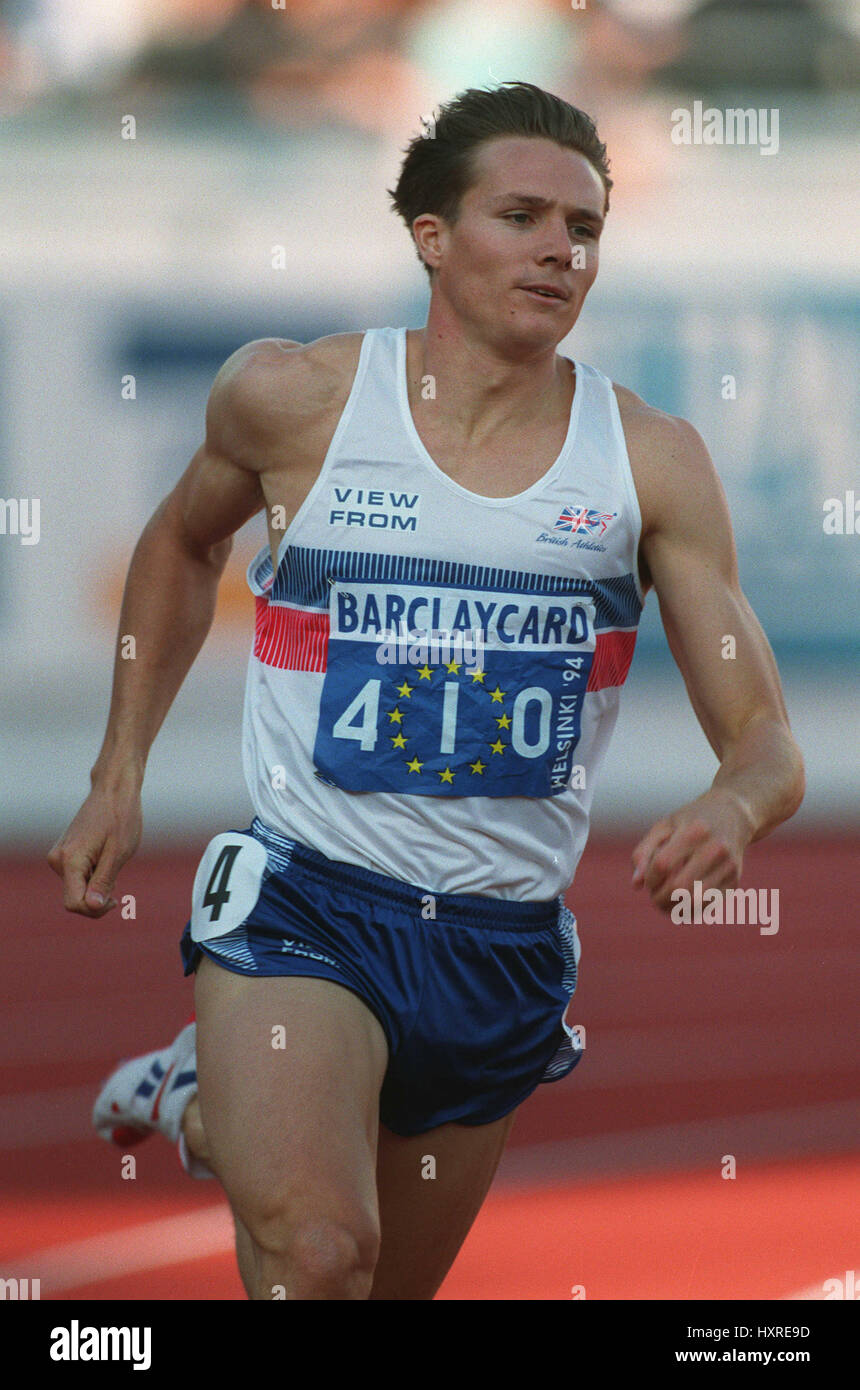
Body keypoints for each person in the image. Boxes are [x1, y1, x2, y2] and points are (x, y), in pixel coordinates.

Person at [49, 81, 805, 1301]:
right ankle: (241, 1091)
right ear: (431, 237)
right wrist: (115, 774)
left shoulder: (647, 462)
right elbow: (180, 545)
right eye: (521, 215)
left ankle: (203, 1103)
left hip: (497, 949)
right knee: (318, 1254)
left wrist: (730, 810)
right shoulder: (293, 399)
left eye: (585, 229)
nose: (561, 250)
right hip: (307, 899)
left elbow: (766, 741)